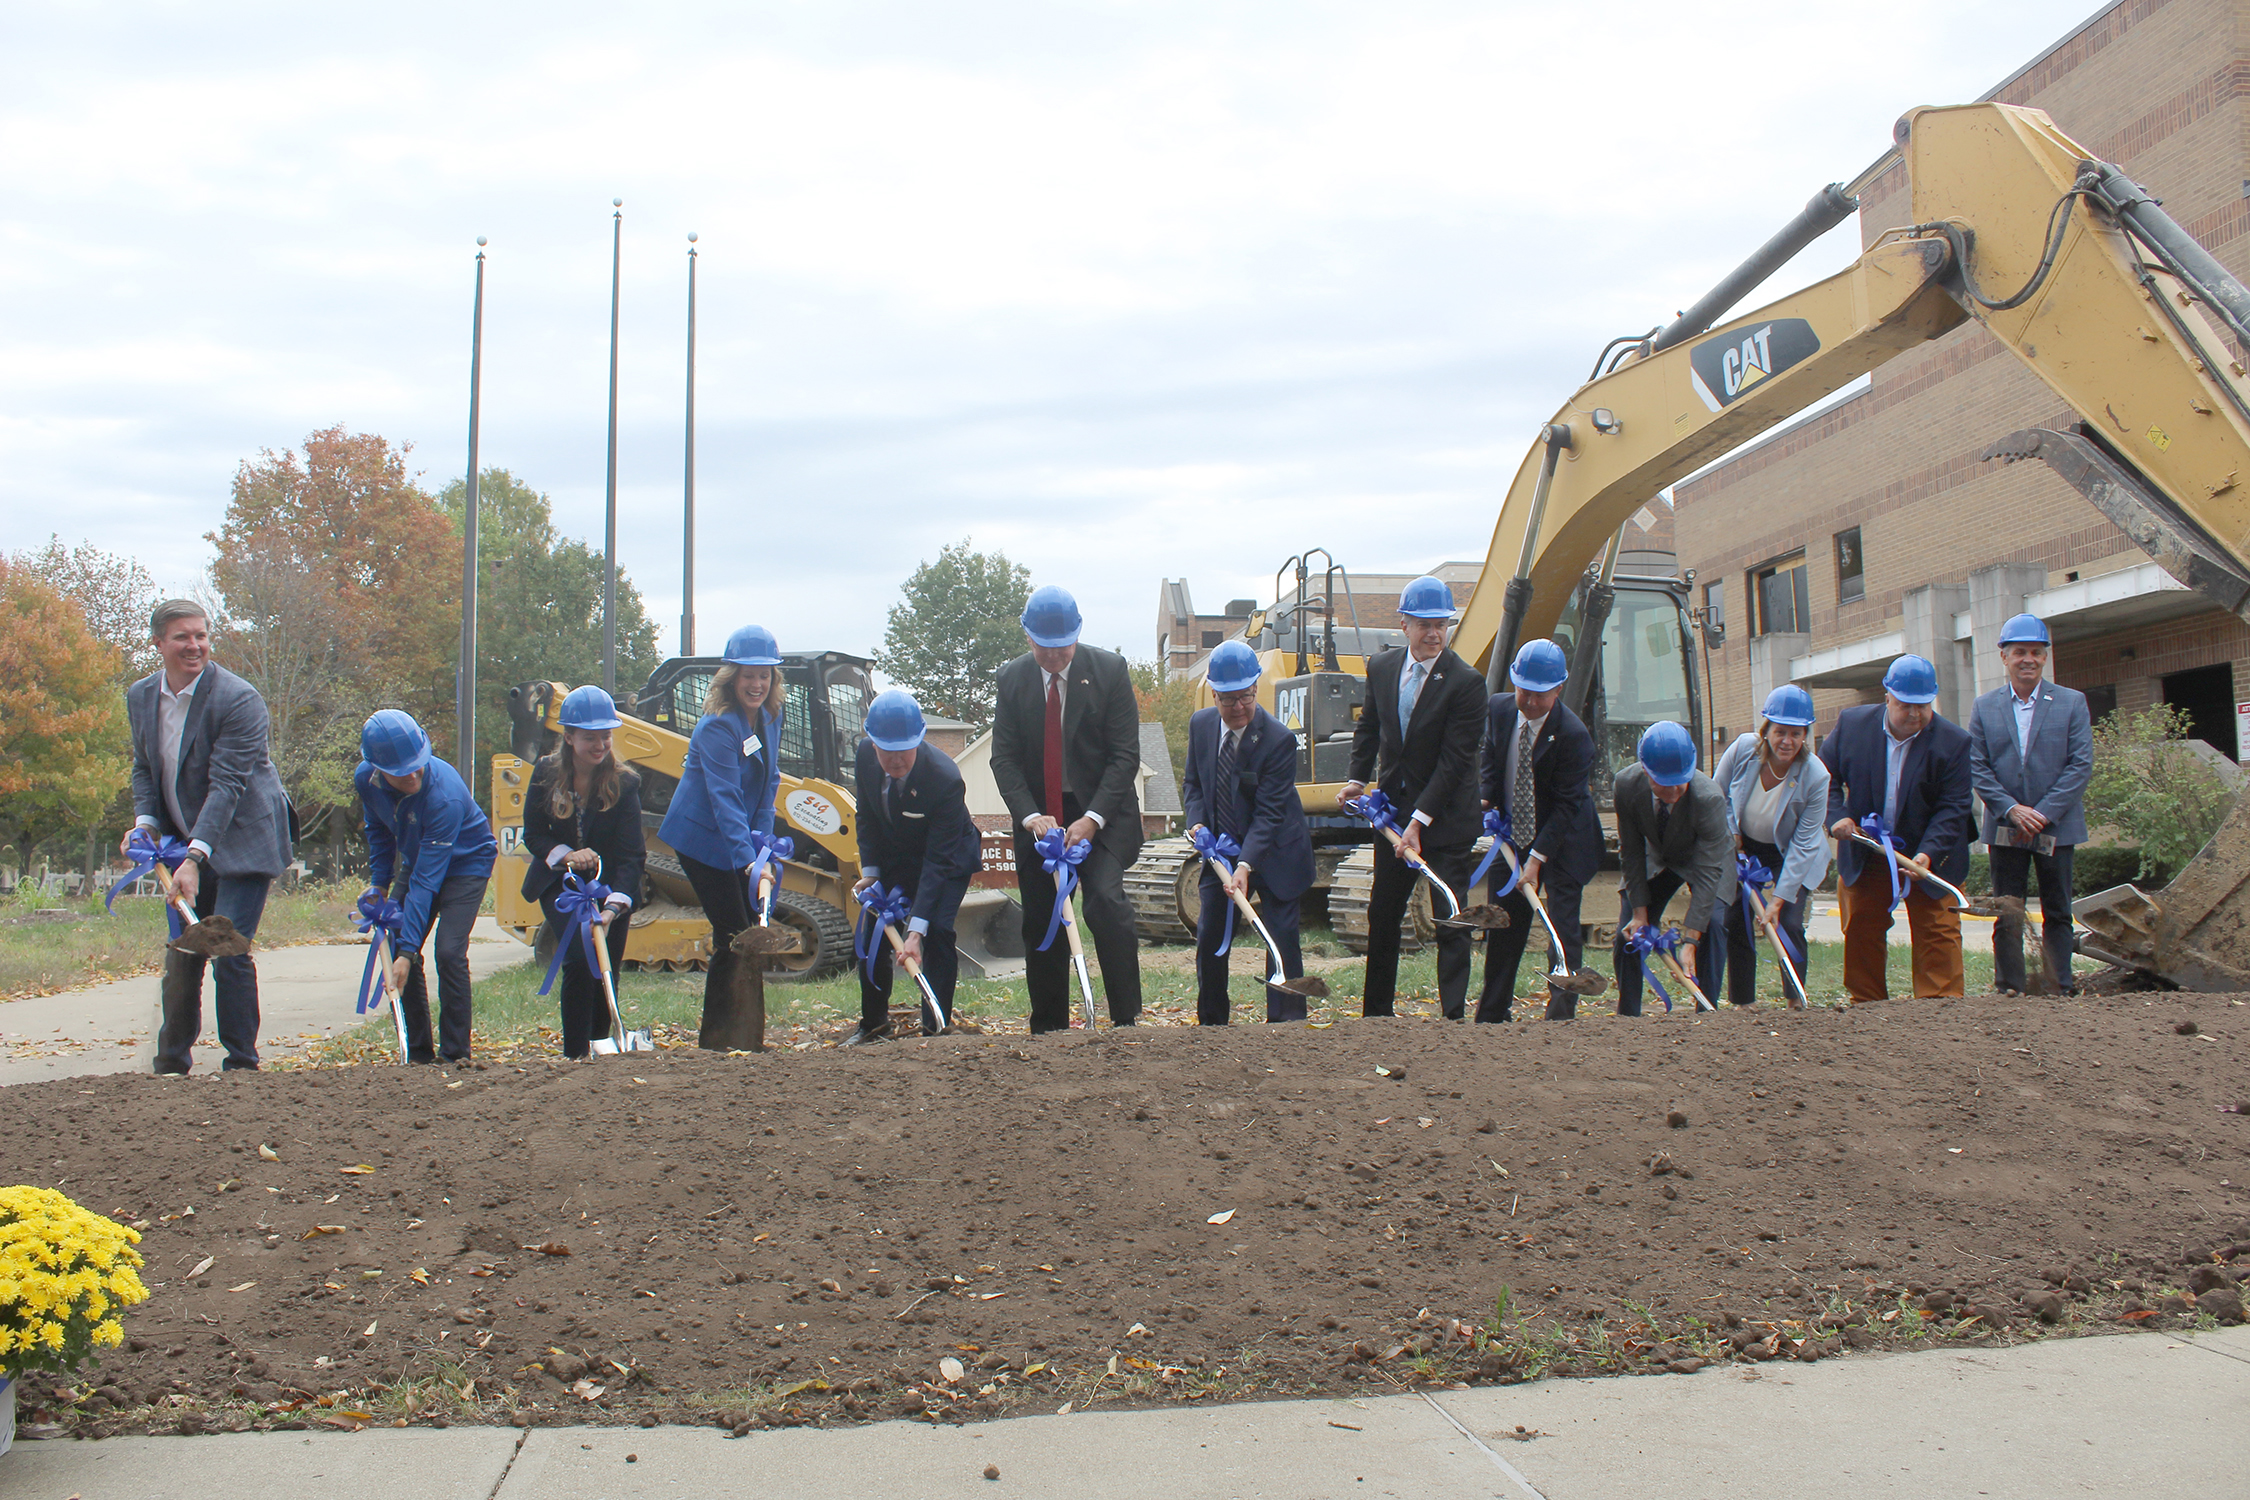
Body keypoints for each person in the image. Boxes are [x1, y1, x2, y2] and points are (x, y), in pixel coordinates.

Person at [125, 599, 294, 1073]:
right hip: (183, 845)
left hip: (243, 841)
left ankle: (242, 1066)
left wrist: (195, 859)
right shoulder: (141, 697)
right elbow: (145, 769)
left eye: (201, 635)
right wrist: (146, 825)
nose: (194, 645)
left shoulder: (238, 699)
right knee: (183, 953)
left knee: (225, 949)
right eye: (182, 637)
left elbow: (227, 787)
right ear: (159, 643)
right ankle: (171, 1064)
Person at [990, 585, 1145, 1032]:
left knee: (1104, 902)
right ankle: (1049, 1028)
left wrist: (1092, 819)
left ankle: (1125, 1019)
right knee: (1042, 920)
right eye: (1045, 648)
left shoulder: (1110, 671)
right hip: (1040, 817)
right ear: (1028, 638)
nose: (1055, 657)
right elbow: (1004, 758)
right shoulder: (1011, 679)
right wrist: (1029, 816)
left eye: (1063, 648)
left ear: (1077, 637)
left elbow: (1124, 757)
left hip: (1102, 811)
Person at [1340, 575, 1485, 1019]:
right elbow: (1370, 728)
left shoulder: (1465, 682)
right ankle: (1377, 1015)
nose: (1434, 633)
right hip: (1395, 817)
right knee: (1383, 915)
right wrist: (1357, 780)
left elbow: (1454, 762)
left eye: (1442, 624)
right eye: (1424, 624)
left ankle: (1453, 1017)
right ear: (1403, 624)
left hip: (1446, 820)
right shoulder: (1382, 668)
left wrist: (1420, 822)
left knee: (1450, 918)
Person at [657, 625, 786, 1048]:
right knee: (735, 931)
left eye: (764, 675)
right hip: (702, 837)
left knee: (747, 930)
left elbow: (768, 787)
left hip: (739, 836)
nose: (757, 683)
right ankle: (720, 1038)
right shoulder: (717, 727)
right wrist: (747, 859)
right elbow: (724, 798)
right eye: (749, 674)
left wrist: (762, 851)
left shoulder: (769, 717)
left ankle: (746, 1034)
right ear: (731, 677)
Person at [1818, 654, 1975, 1002]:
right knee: (1861, 927)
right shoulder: (1852, 725)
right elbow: (1822, 776)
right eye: (1906, 705)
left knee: (1939, 931)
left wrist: (1928, 855)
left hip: (1932, 855)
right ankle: (1867, 1007)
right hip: (1867, 850)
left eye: (1923, 705)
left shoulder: (1954, 743)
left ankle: (1940, 1010)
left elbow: (1954, 808)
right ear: (1888, 696)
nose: (1915, 714)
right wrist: (1836, 816)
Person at [1179, 640, 1315, 1023]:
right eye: (1229, 700)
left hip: (1276, 853)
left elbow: (1270, 814)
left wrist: (1246, 865)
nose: (1239, 707)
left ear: (1256, 688)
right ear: (1214, 693)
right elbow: (1193, 783)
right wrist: (1197, 823)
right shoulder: (1201, 725)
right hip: (1219, 851)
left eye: (1246, 697)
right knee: (1210, 938)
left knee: (1282, 939)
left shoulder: (1278, 740)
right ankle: (1212, 1022)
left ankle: (1287, 1023)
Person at [356, 710, 498, 1063]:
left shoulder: (443, 795)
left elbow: (425, 884)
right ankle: (418, 1054)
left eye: (419, 763)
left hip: (468, 863)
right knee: (395, 940)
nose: (414, 774)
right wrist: (379, 883)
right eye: (403, 772)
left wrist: (407, 953)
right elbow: (377, 830)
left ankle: (455, 1055)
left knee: (448, 952)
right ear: (378, 769)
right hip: (419, 857)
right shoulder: (366, 781)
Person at [1475, 638, 1602, 1022]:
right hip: (1513, 835)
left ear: (1558, 690)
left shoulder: (1575, 736)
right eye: (1523, 691)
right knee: (1503, 922)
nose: (1529, 702)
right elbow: (1491, 758)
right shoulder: (1498, 709)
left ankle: (1560, 1018)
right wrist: (1485, 797)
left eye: (1540, 695)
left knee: (1561, 931)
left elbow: (1566, 807)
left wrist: (1537, 860)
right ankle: (1492, 1015)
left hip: (1563, 843)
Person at [846, 689, 981, 1044]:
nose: (895, 760)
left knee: (937, 930)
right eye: (886, 750)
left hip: (947, 859)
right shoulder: (863, 757)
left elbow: (938, 863)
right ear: (871, 742)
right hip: (896, 855)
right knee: (873, 929)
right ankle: (873, 1025)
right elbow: (867, 816)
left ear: (919, 740)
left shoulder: (944, 777)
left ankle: (934, 1030)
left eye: (903, 749)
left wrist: (914, 933)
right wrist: (871, 872)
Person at [1969, 613, 2094, 996]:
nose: (2028, 659)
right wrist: (2011, 809)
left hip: (2055, 825)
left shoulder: (2072, 703)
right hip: (2007, 825)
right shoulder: (1985, 707)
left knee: (2058, 909)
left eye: (2036, 652)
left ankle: (2059, 985)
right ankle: (2010, 985)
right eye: (2020, 651)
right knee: (2007, 909)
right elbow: (1977, 765)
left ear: (2044, 657)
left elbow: (2080, 763)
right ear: (2003, 656)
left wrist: (2043, 812)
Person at [521, 686, 644, 1058]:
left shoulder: (625, 784)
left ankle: (600, 1043)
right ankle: (575, 1054)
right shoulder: (545, 774)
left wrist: (613, 908)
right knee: (578, 956)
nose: (600, 744)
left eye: (606, 735)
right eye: (590, 737)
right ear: (569, 737)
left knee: (606, 966)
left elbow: (631, 855)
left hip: (611, 888)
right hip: (562, 884)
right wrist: (568, 856)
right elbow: (534, 834)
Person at [1713, 685, 1831, 1007]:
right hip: (1743, 846)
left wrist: (1778, 900)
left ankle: (1795, 1001)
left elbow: (1805, 843)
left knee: (1789, 923)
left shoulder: (1816, 776)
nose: (1787, 742)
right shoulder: (1742, 750)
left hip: (1789, 852)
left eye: (1796, 733)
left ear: (1805, 734)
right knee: (1735, 918)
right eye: (1780, 732)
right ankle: (1743, 1001)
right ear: (1766, 730)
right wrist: (1731, 833)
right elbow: (1716, 796)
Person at [1612, 721, 1733, 1014]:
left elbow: (1707, 876)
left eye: (1682, 780)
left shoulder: (1709, 798)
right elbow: (1631, 852)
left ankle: (1707, 1011)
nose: (1675, 790)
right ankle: (1628, 1015)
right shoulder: (1626, 786)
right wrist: (1640, 914)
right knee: (1627, 932)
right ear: (1645, 770)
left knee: (1713, 925)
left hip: (1707, 860)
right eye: (1664, 783)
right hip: (1659, 855)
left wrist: (1690, 940)